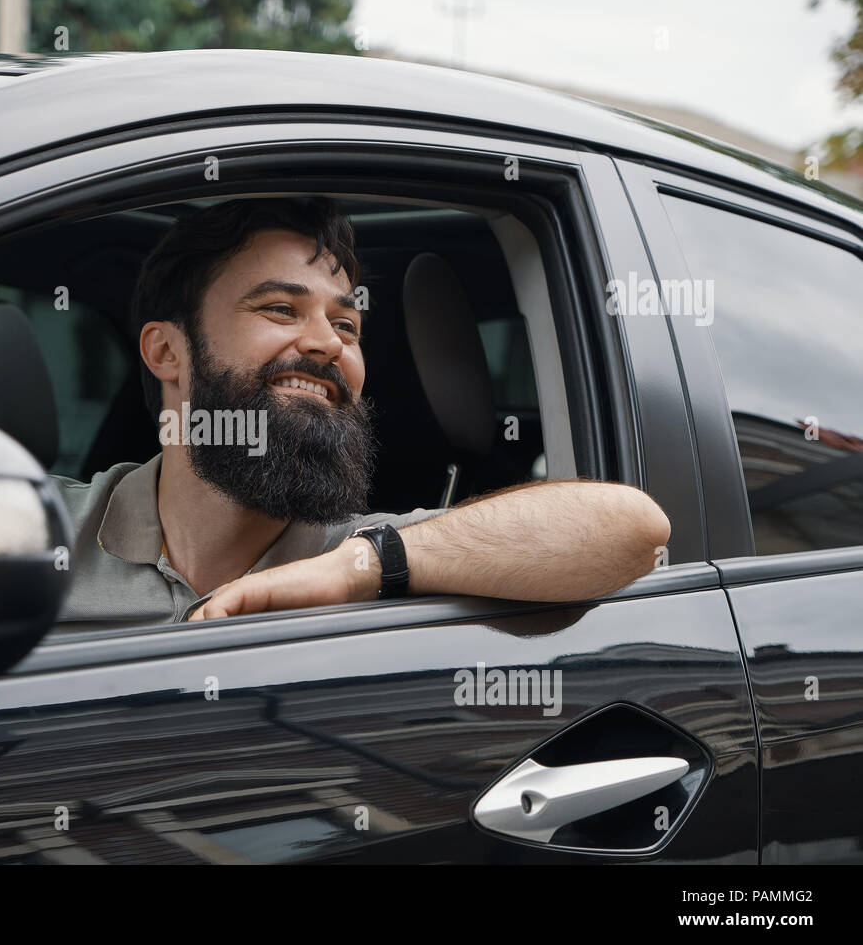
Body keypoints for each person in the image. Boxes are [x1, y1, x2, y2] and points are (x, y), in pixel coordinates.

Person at [49, 196, 670, 630]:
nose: (329, 344)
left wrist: (363, 568)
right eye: (281, 310)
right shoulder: (36, 532)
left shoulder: (372, 555)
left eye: (347, 324)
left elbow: (633, 528)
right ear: (167, 350)